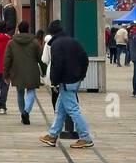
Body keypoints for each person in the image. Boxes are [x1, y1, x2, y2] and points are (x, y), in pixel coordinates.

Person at [39, 20, 94, 150]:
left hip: (66, 81)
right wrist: (81, 75)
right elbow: (84, 58)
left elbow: (57, 65)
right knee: (60, 110)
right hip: (74, 79)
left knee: (73, 110)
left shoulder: (56, 44)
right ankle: (52, 135)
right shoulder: (73, 41)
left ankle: (85, 137)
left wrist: (54, 82)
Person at [3, 20, 43, 126]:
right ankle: (26, 111)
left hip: (17, 71)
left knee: (20, 93)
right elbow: (41, 58)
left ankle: (22, 113)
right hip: (32, 71)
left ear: (19, 30)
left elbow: (7, 59)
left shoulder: (11, 42)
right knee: (31, 92)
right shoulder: (34, 42)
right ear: (28, 29)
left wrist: (6, 74)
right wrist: (44, 71)